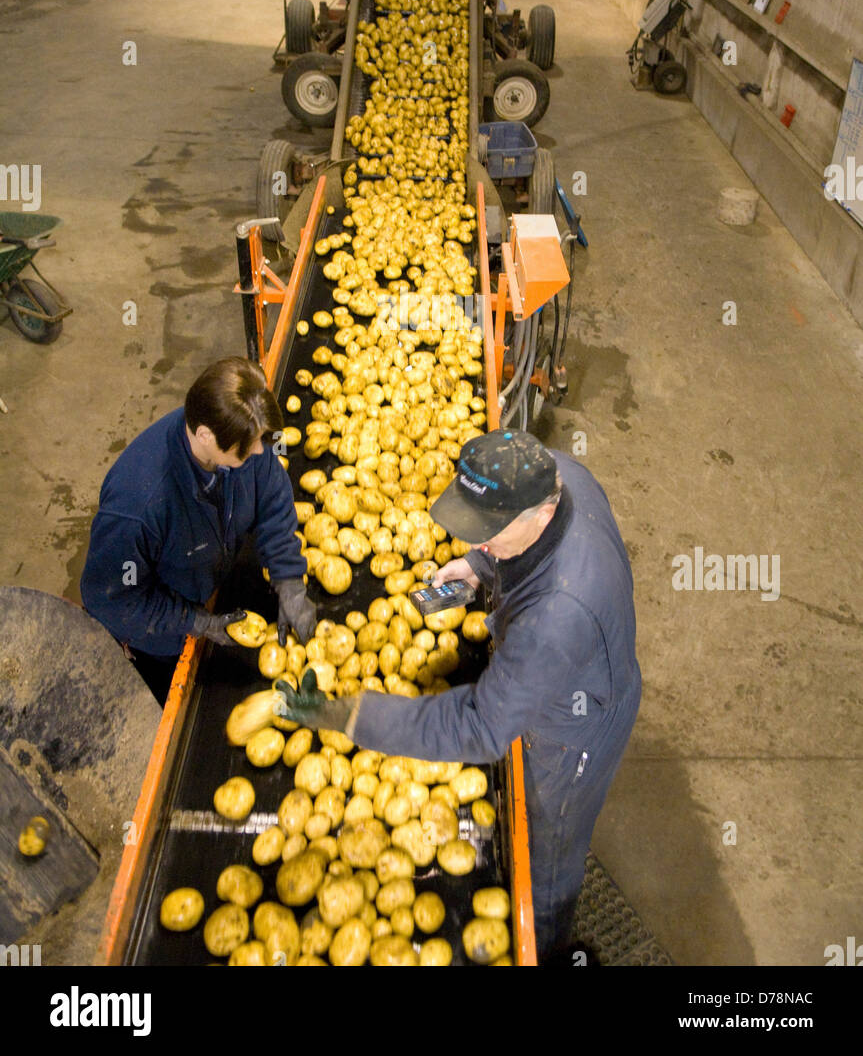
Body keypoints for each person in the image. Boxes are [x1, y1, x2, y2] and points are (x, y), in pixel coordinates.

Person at [278, 428, 641, 965]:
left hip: (574, 727)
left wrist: (347, 713)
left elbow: (478, 727)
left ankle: (545, 942)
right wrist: (481, 568)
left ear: (539, 516)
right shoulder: (558, 474)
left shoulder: (557, 617)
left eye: (488, 533)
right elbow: (521, 552)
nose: (476, 542)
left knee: (548, 846)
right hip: (560, 651)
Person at [81, 356, 314, 705]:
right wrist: (194, 622)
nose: (259, 451)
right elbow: (114, 601)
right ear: (205, 435)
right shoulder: (139, 506)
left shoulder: (244, 435)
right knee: (162, 702)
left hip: (209, 581)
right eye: (249, 448)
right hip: (158, 637)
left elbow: (273, 500)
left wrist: (290, 580)